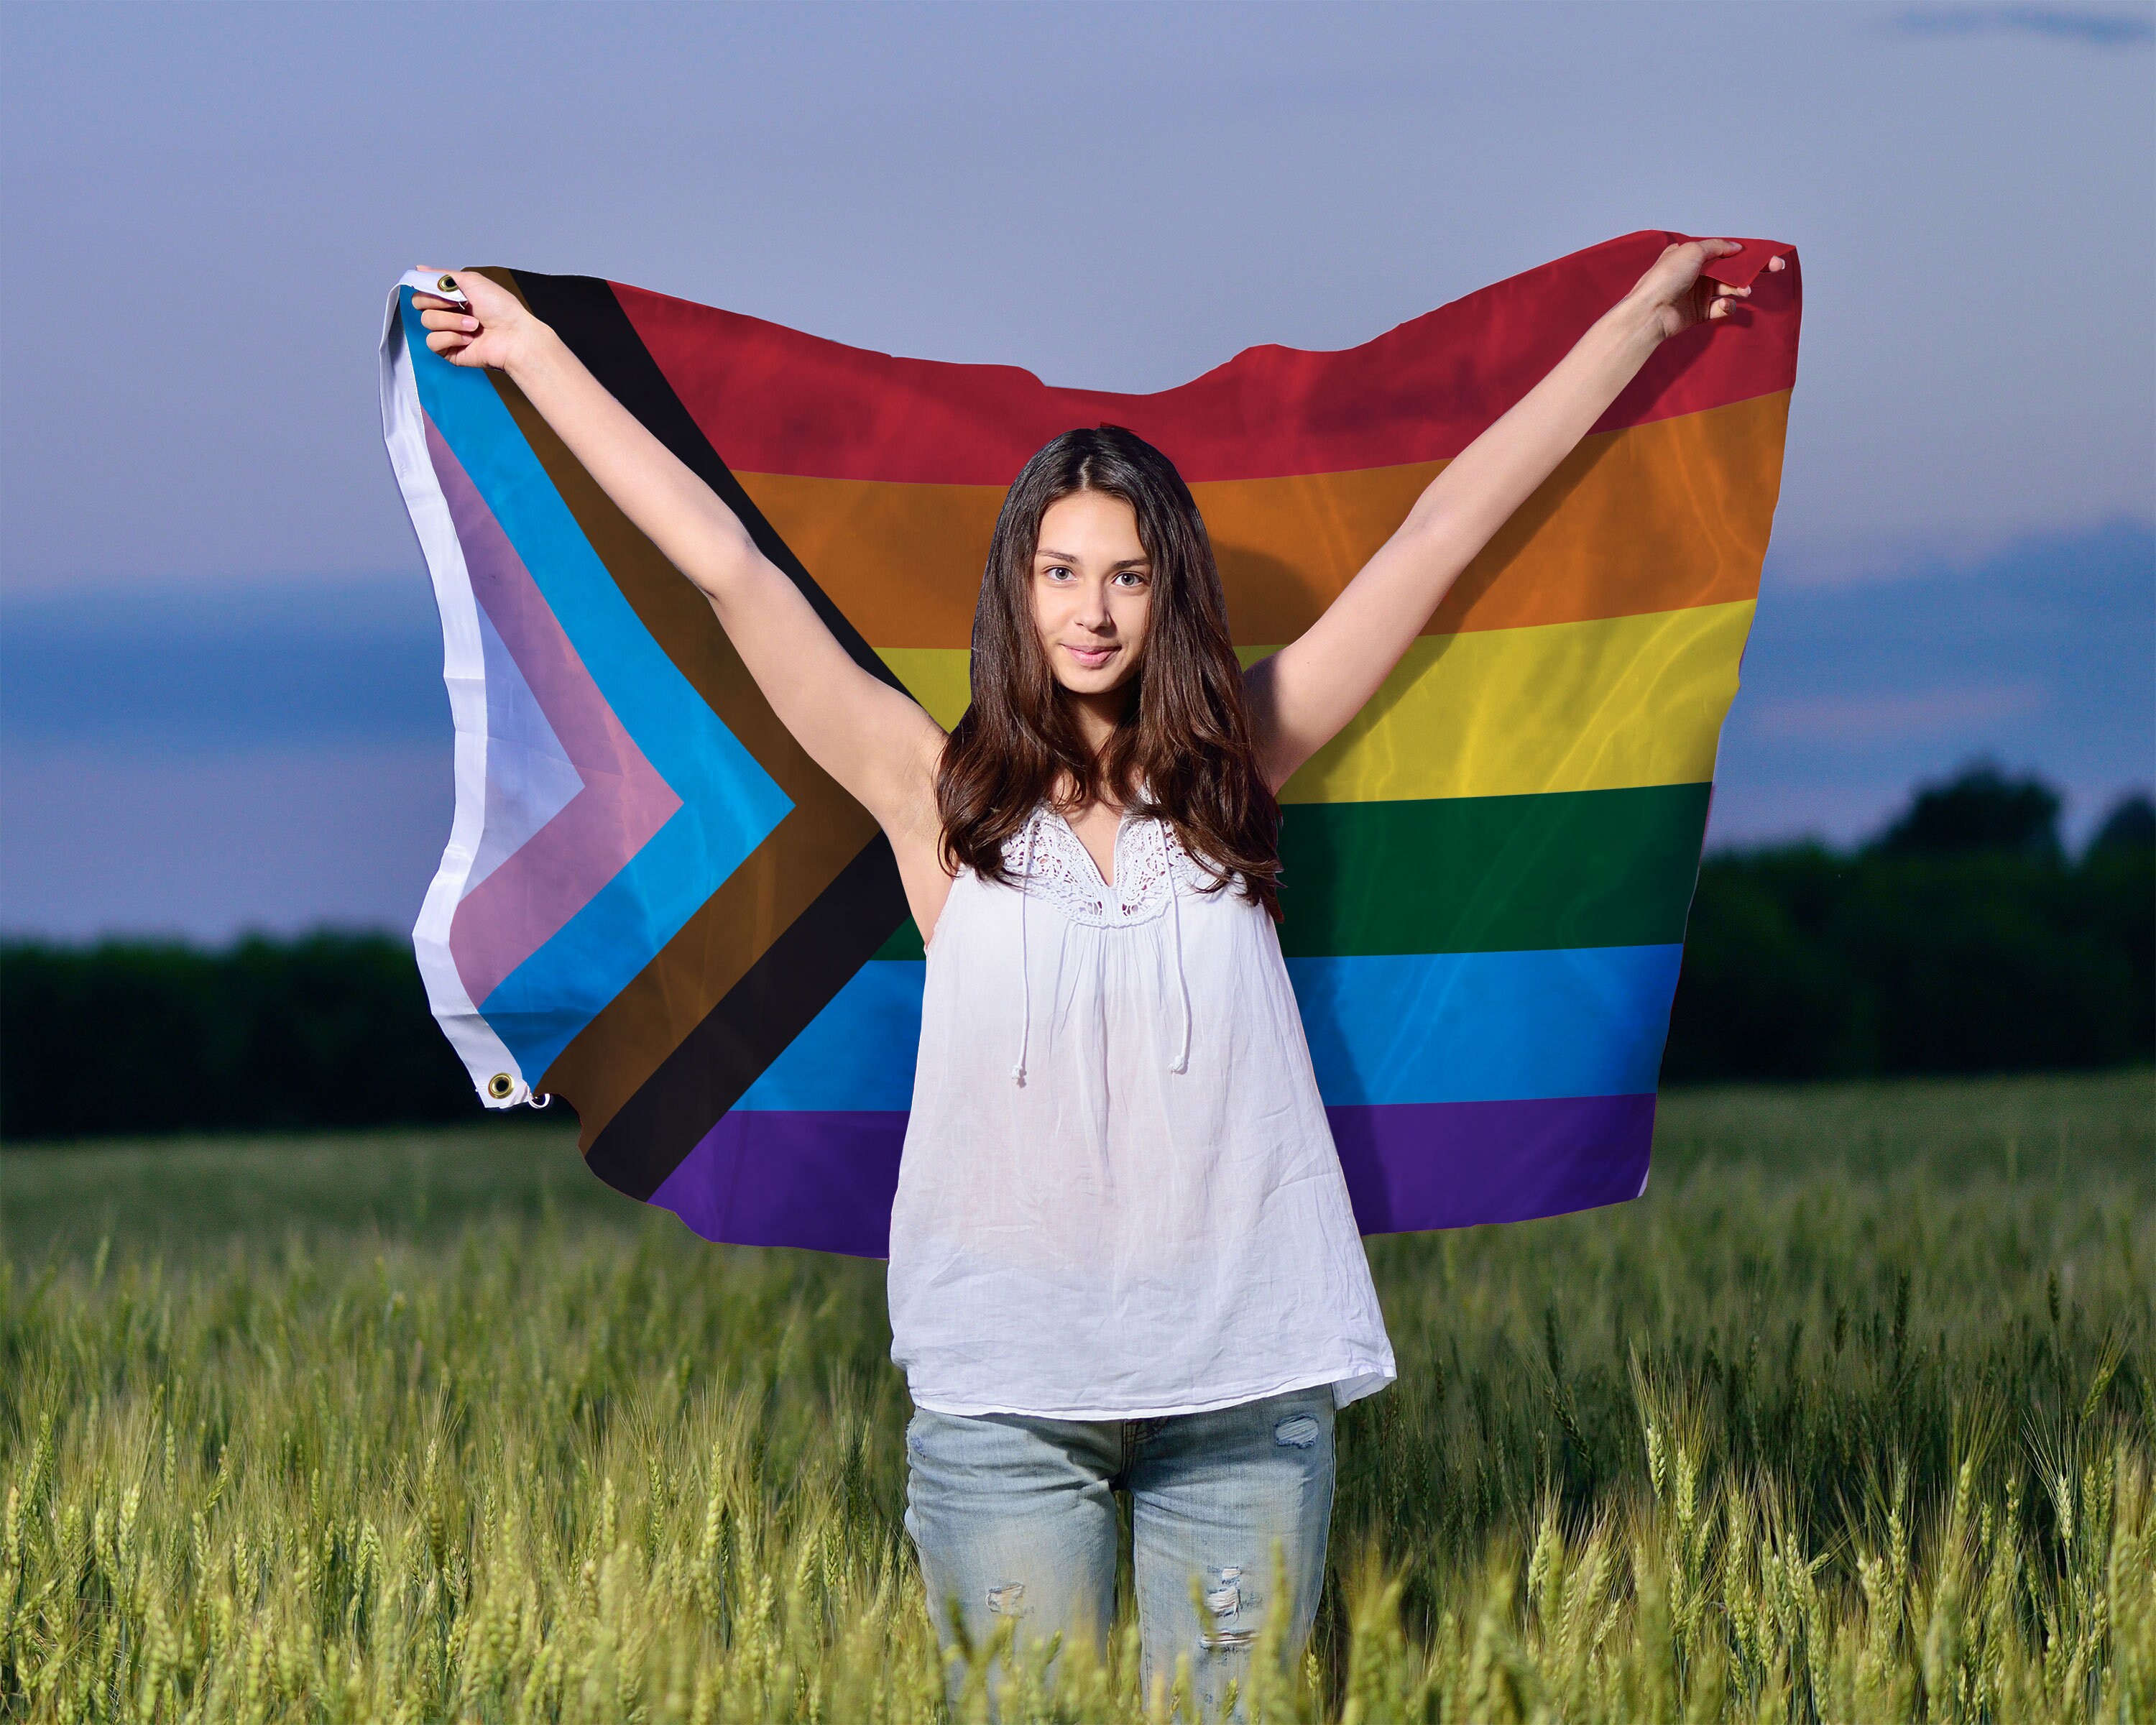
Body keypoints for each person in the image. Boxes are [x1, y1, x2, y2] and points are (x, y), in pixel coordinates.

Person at [415, 238, 1778, 1715]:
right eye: (1061, 572)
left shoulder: (1240, 772)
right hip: (1006, 1396)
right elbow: (731, 570)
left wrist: (1640, 326)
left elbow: (1443, 532)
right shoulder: (928, 795)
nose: (1094, 608)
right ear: (1017, 589)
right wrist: (537, 354)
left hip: (1248, 1387)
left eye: (1128, 576)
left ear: (1166, 595)